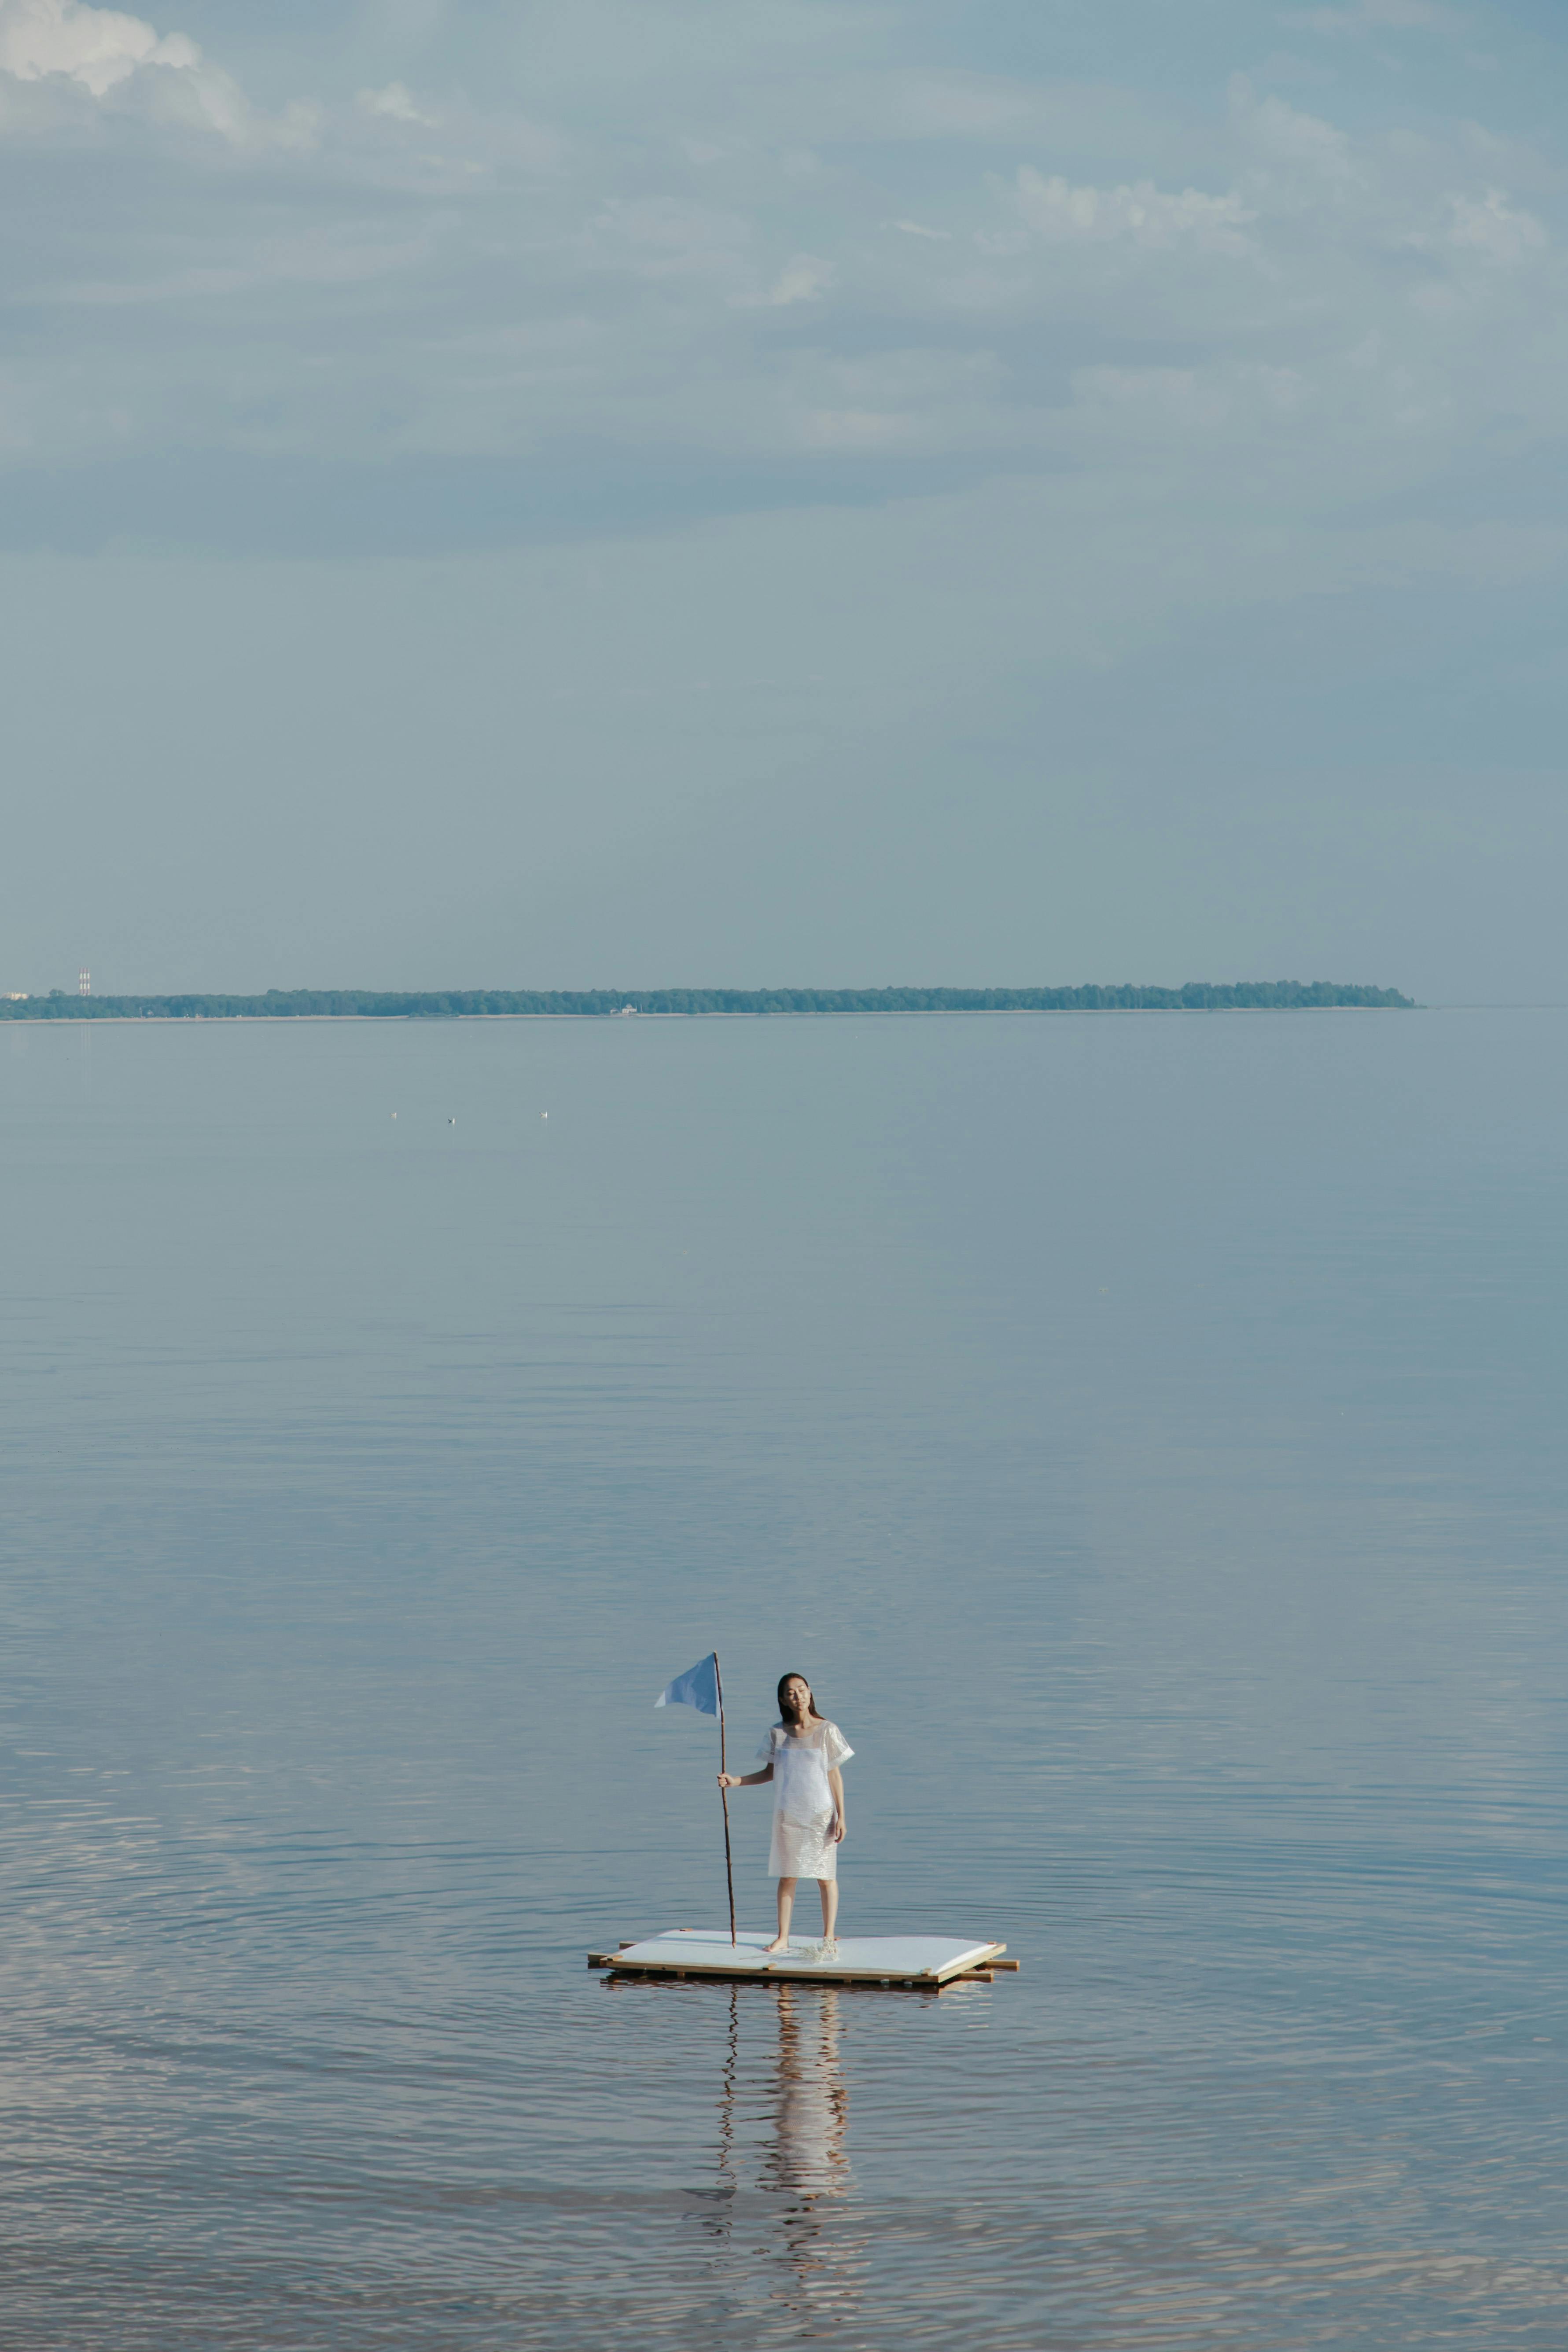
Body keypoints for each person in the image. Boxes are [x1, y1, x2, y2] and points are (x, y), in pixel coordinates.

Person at [719, 1673, 853, 1957]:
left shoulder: (827, 1730)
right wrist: (736, 1781)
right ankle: (783, 1937)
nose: (798, 1696)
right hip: (788, 1815)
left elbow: (835, 1776)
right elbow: (770, 1773)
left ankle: (828, 1938)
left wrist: (842, 1816)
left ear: (810, 1693)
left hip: (821, 1815)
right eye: (791, 1693)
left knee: (826, 1877)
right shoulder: (777, 1733)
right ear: (783, 1700)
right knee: (787, 1876)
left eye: (802, 1690)